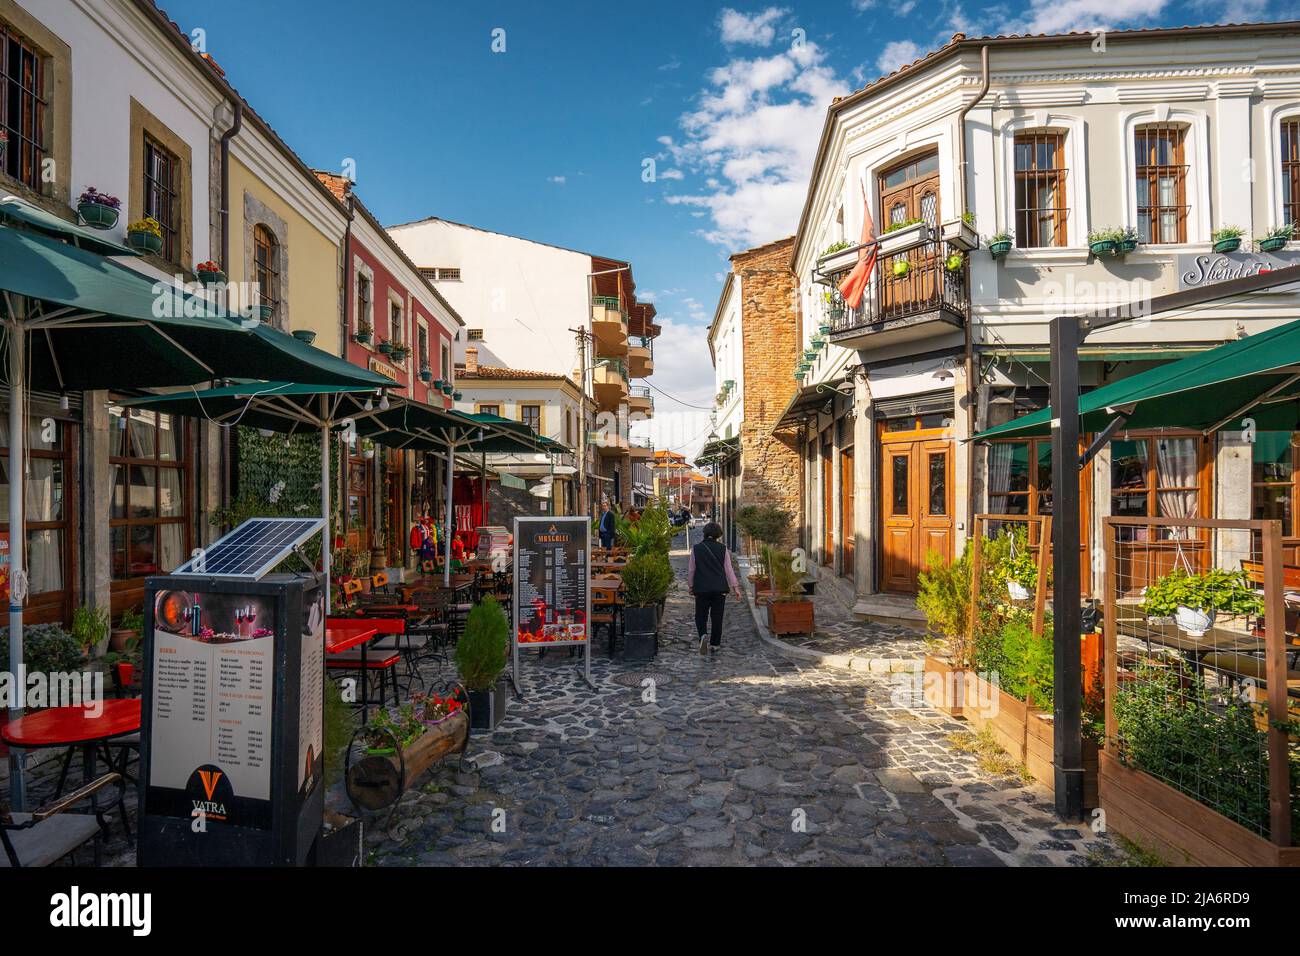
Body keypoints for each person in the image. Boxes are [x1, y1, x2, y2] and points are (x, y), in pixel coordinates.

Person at [687, 521, 742, 655]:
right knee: (717, 617)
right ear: (718, 535)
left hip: (701, 589)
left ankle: (702, 636)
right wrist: (736, 588)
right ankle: (715, 644)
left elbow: (691, 570)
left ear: (705, 534)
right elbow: (729, 570)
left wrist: (691, 585)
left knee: (701, 616)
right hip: (719, 588)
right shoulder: (723, 549)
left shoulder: (696, 549)